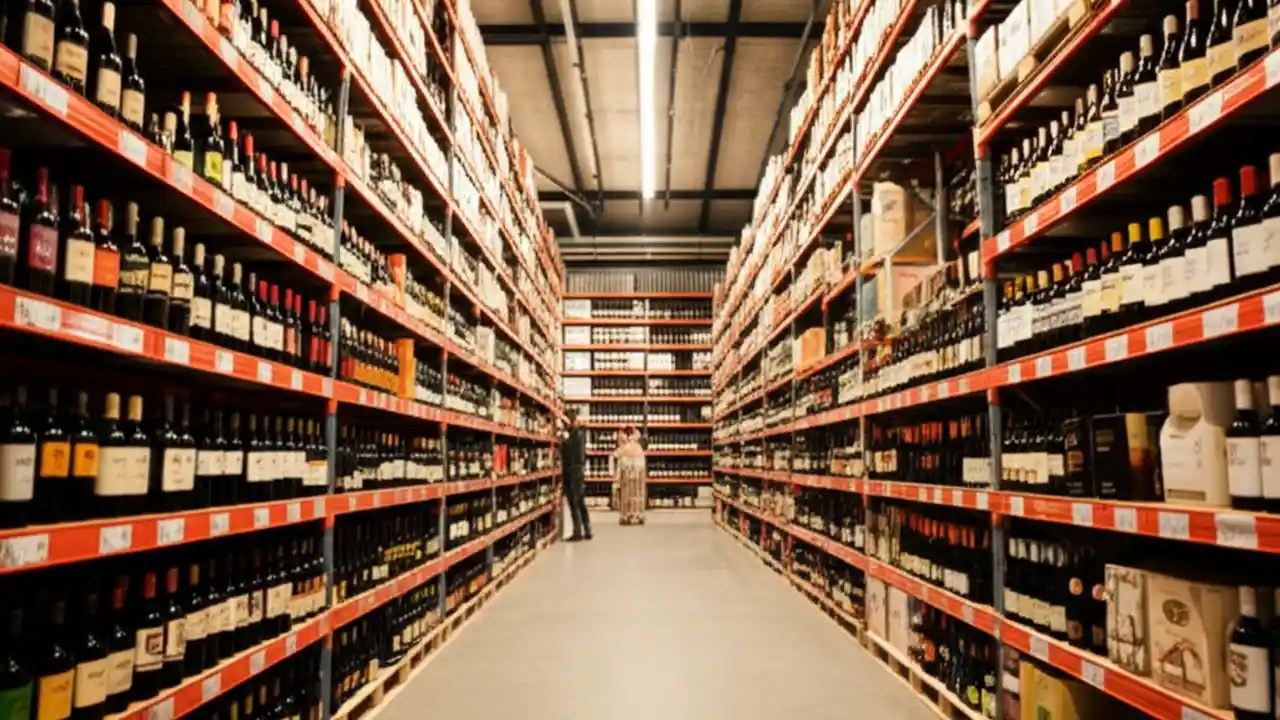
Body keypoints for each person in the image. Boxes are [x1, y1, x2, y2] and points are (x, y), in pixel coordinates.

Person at [560, 409, 591, 541]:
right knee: (580, 501)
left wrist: (564, 441)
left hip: (573, 470)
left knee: (574, 501)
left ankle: (577, 532)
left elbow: (571, 453)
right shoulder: (580, 433)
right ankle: (587, 530)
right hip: (578, 470)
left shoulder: (573, 434)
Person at [614, 426, 646, 525]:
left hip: (627, 470)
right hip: (637, 470)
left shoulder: (624, 446)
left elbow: (616, 455)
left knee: (626, 493)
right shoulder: (637, 445)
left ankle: (626, 515)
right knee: (637, 492)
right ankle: (639, 514)